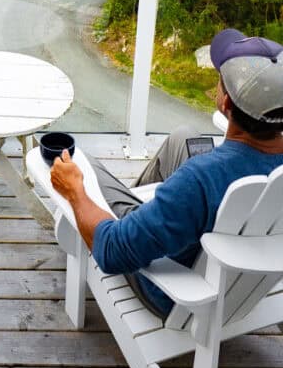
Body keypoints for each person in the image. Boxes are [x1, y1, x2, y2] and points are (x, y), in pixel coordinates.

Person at [50, 29, 283, 318]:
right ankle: (149, 219)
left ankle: (135, 221)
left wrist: (74, 190)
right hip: (245, 288)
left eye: (220, 81)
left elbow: (112, 251)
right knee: (182, 136)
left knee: (83, 165)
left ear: (226, 105)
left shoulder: (200, 180)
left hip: (178, 293)